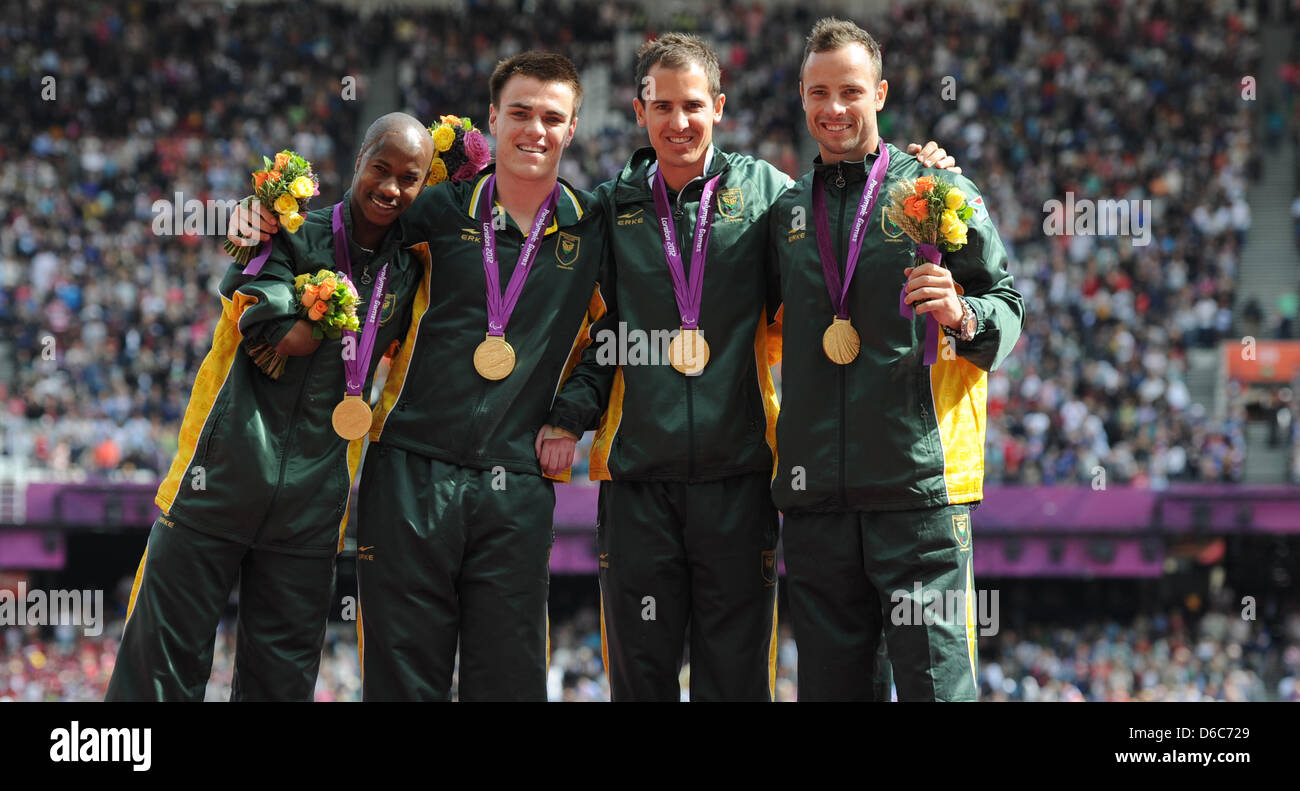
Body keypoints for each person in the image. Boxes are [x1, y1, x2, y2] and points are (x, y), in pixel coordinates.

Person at [538, 33, 958, 701]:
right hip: (637, 480)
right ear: (640, 110)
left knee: (737, 681)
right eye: (664, 105)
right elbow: (601, 334)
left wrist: (916, 170)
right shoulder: (610, 209)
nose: (680, 122)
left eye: (694, 105)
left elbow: (841, 243)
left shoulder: (768, 194)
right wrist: (569, 414)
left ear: (720, 107)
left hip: (741, 478)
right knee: (638, 678)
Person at [106, 113, 436, 701]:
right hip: (218, 479)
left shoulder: (411, 272)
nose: (390, 187)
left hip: (312, 506)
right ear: (358, 159)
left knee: (281, 683)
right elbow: (272, 332)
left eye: (408, 178)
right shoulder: (284, 231)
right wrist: (317, 308)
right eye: (380, 168)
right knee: (159, 670)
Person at [768, 18, 1024, 701]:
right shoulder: (787, 213)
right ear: (801, 96)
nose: (835, 109)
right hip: (817, 501)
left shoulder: (936, 192)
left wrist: (964, 312)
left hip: (919, 499)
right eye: (819, 92)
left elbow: (1008, 307)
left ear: (879, 93)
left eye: (851, 91)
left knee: (939, 690)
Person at [353, 52, 611, 701]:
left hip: (515, 482)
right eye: (520, 113)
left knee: (509, 679)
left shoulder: (591, 229)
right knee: (401, 678)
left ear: (572, 127)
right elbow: (355, 249)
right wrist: (267, 232)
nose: (535, 130)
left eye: (552, 117)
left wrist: (572, 412)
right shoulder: (437, 210)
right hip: (409, 465)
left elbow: (616, 336)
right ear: (493, 119)